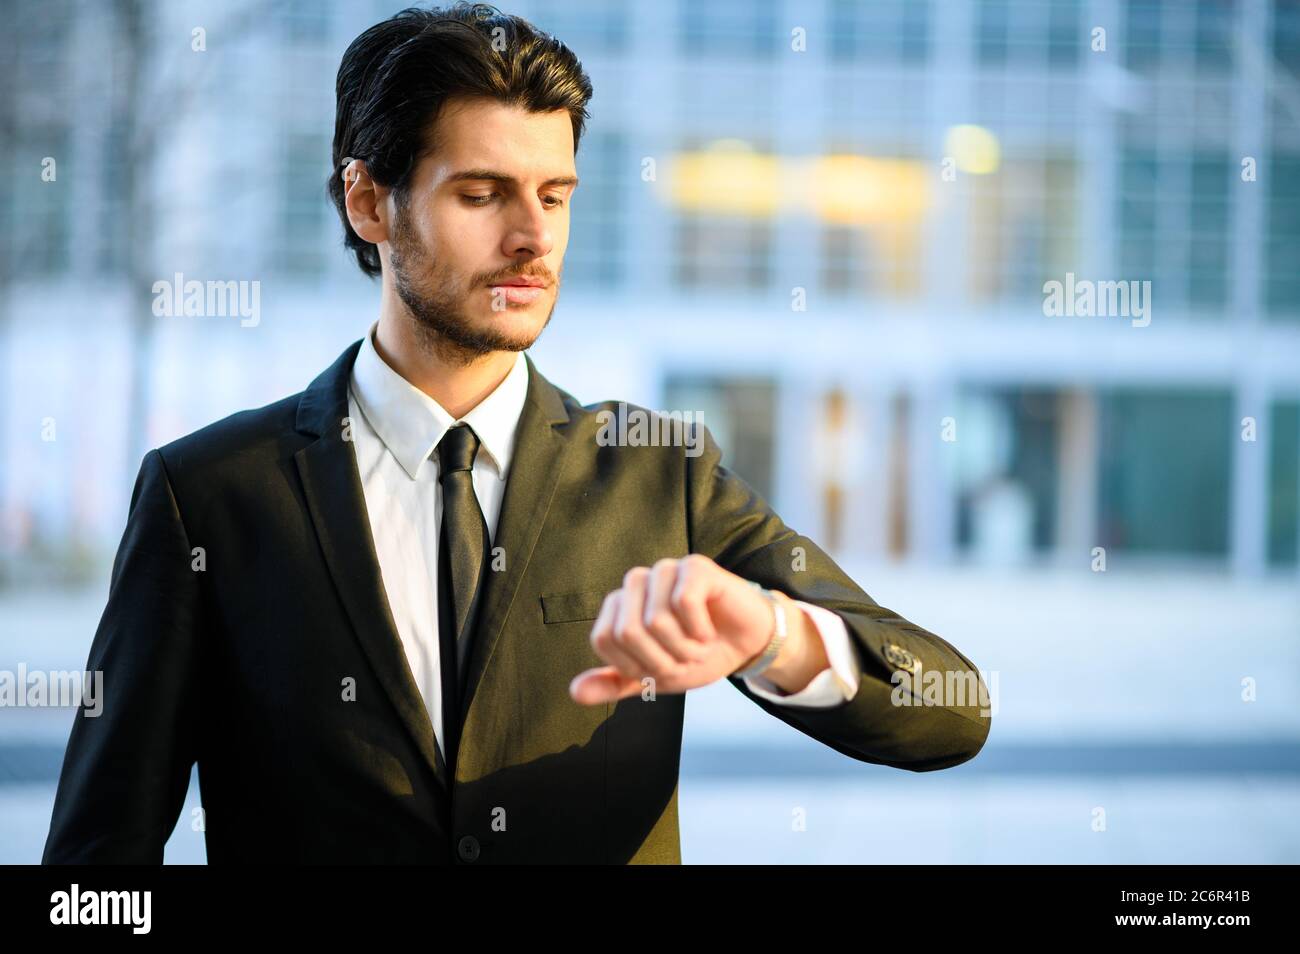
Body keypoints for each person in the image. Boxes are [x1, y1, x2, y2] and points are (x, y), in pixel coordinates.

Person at [43, 2, 991, 865]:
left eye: (553, 194)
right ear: (370, 201)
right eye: (481, 194)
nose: (533, 238)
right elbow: (94, 862)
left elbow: (952, 710)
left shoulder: (660, 474)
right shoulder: (208, 492)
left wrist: (774, 634)